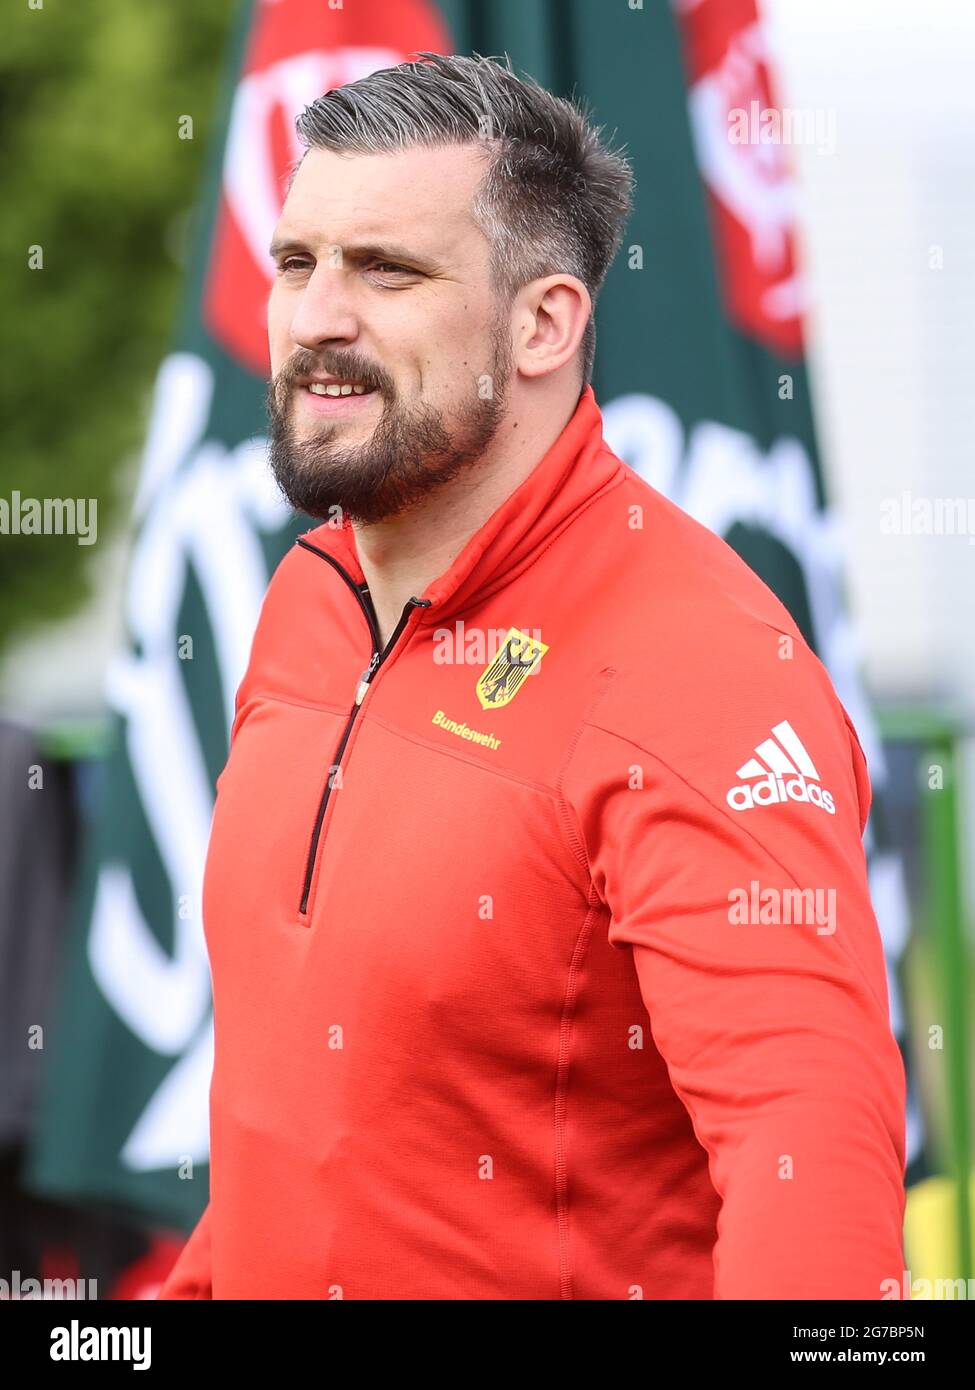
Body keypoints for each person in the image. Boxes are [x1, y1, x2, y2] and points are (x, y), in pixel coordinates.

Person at [158, 51, 906, 1301]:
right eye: (298, 262)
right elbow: (304, 1136)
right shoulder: (306, 597)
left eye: (386, 269)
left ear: (545, 322)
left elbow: (808, 1165)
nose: (317, 318)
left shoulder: (708, 670)